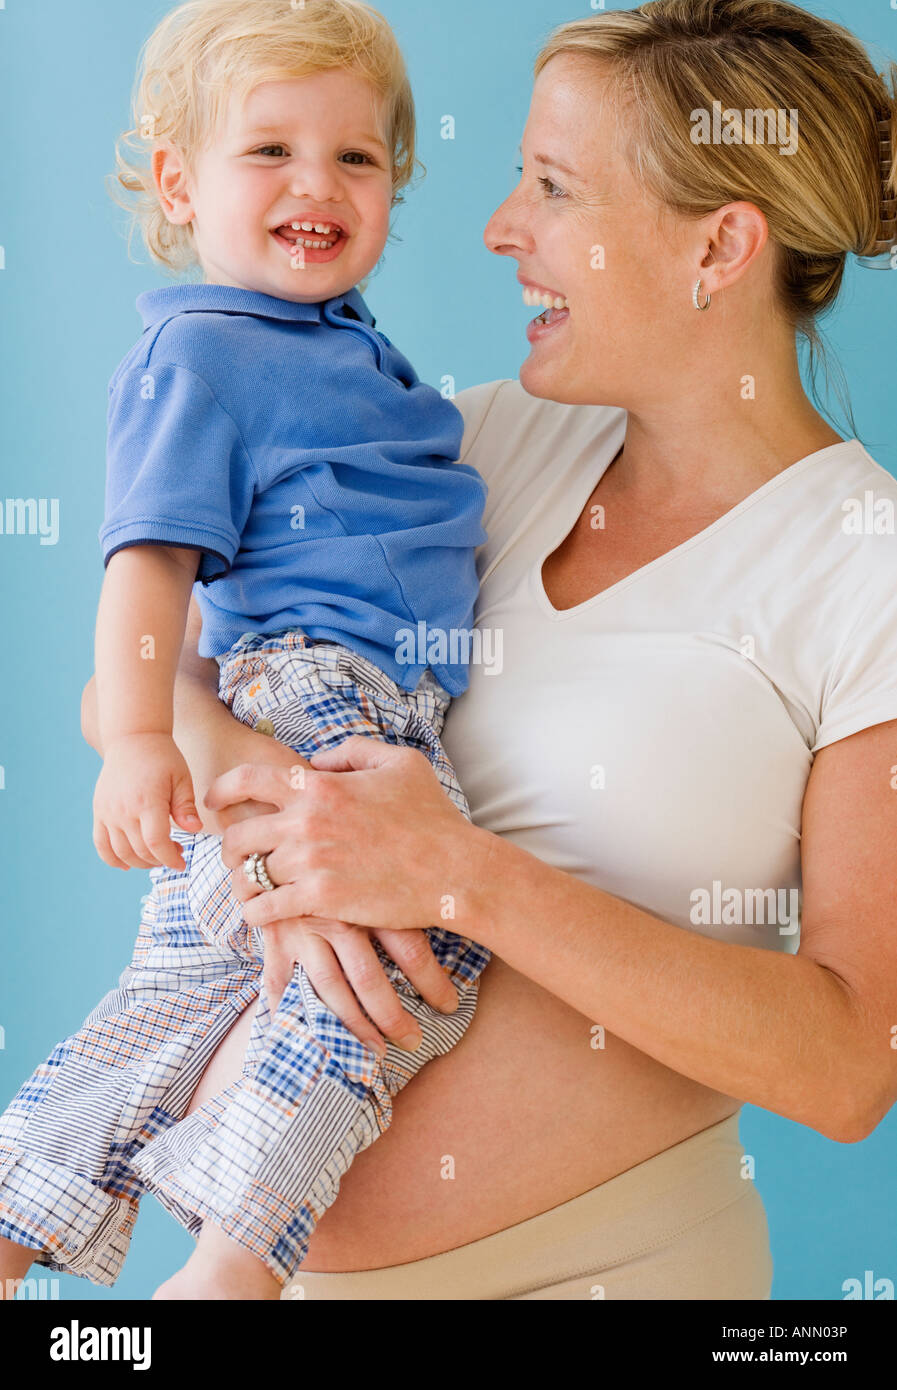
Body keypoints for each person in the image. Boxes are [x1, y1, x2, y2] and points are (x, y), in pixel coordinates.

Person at [7, 0, 897, 1302]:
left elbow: (848, 1061)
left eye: (552, 184)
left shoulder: (862, 565)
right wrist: (293, 810)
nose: (496, 228)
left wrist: (455, 876)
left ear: (718, 244)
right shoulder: (449, 451)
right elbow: (128, 689)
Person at [0, 0, 492, 1300]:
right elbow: (146, 559)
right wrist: (144, 736)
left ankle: (13, 1219)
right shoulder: (203, 352)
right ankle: (230, 1259)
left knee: (175, 992)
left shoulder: (334, 348)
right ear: (177, 179)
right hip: (319, 694)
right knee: (416, 952)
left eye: (356, 158)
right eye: (267, 151)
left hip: (309, 706)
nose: (315, 186)